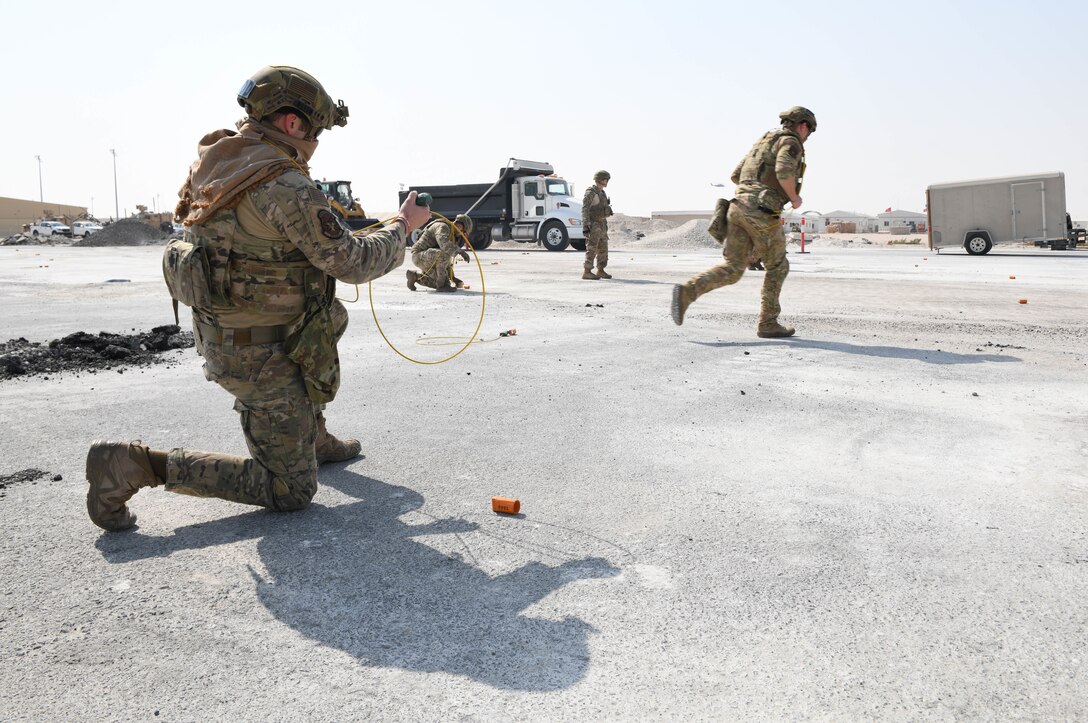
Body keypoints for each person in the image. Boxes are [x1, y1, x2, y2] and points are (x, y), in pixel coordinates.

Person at [84, 65, 431, 532]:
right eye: (315, 131)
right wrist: (404, 225)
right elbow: (352, 262)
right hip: (257, 352)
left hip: (226, 330)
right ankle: (134, 465)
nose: (314, 142)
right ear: (292, 124)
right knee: (290, 491)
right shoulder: (281, 183)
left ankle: (311, 434)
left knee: (330, 315)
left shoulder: (220, 160)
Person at [671, 106, 816, 337]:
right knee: (778, 266)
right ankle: (768, 323)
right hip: (760, 211)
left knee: (733, 268)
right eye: (809, 131)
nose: (808, 136)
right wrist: (793, 197)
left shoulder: (763, 142)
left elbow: (735, 175)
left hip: (736, 208)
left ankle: (687, 292)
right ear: (803, 126)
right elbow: (783, 172)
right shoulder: (791, 142)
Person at [406, 214, 472, 292]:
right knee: (444, 254)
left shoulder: (451, 233)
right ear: (459, 225)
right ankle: (442, 285)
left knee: (436, 282)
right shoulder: (443, 227)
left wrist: (453, 278)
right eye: (463, 230)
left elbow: (447, 262)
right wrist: (460, 251)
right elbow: (444, 245)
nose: (462, 233)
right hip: (419, 255)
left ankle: (414, 277)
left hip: (429, 257)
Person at [581, 170, 613, 280]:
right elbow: (585, 209)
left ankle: (601, 270)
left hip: (602, 224)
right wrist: (586, 225)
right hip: (594, 224)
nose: (606, 181)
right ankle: (587, 271)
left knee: (603, 248)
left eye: (607, 179)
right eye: (605, 179)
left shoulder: (602, 192)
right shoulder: (591, 192)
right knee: (592, 247)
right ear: (599, 179)